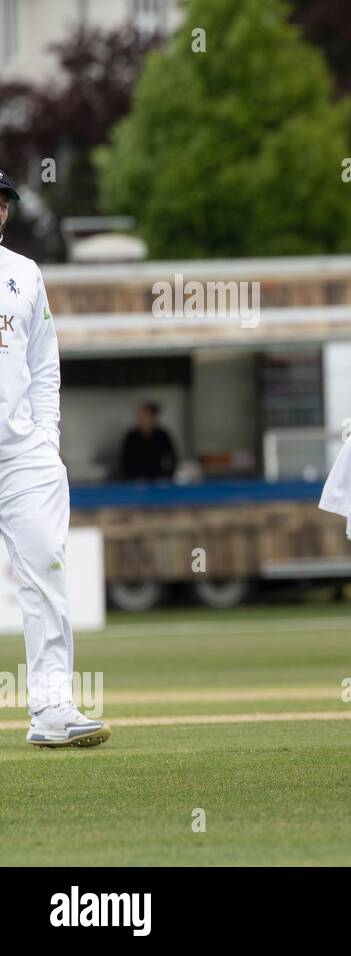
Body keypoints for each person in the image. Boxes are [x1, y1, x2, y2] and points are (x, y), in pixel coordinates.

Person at [0, 170, 110, 747]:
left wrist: (46, 437)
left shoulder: (24, 273)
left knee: (44, 570)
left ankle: (51, 709)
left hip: (22, 455)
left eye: (2, 203)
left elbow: (45, 363)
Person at [119, 401, 177, 480]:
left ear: (152, 418)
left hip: (158, 479)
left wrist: (167, 476)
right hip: (137, 481)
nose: (142, 419)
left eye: (145, 416)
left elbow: (173, 458)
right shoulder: (131, 437)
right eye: (140, 416)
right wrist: (132, 479)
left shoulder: (162, 435)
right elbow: (124, 462)